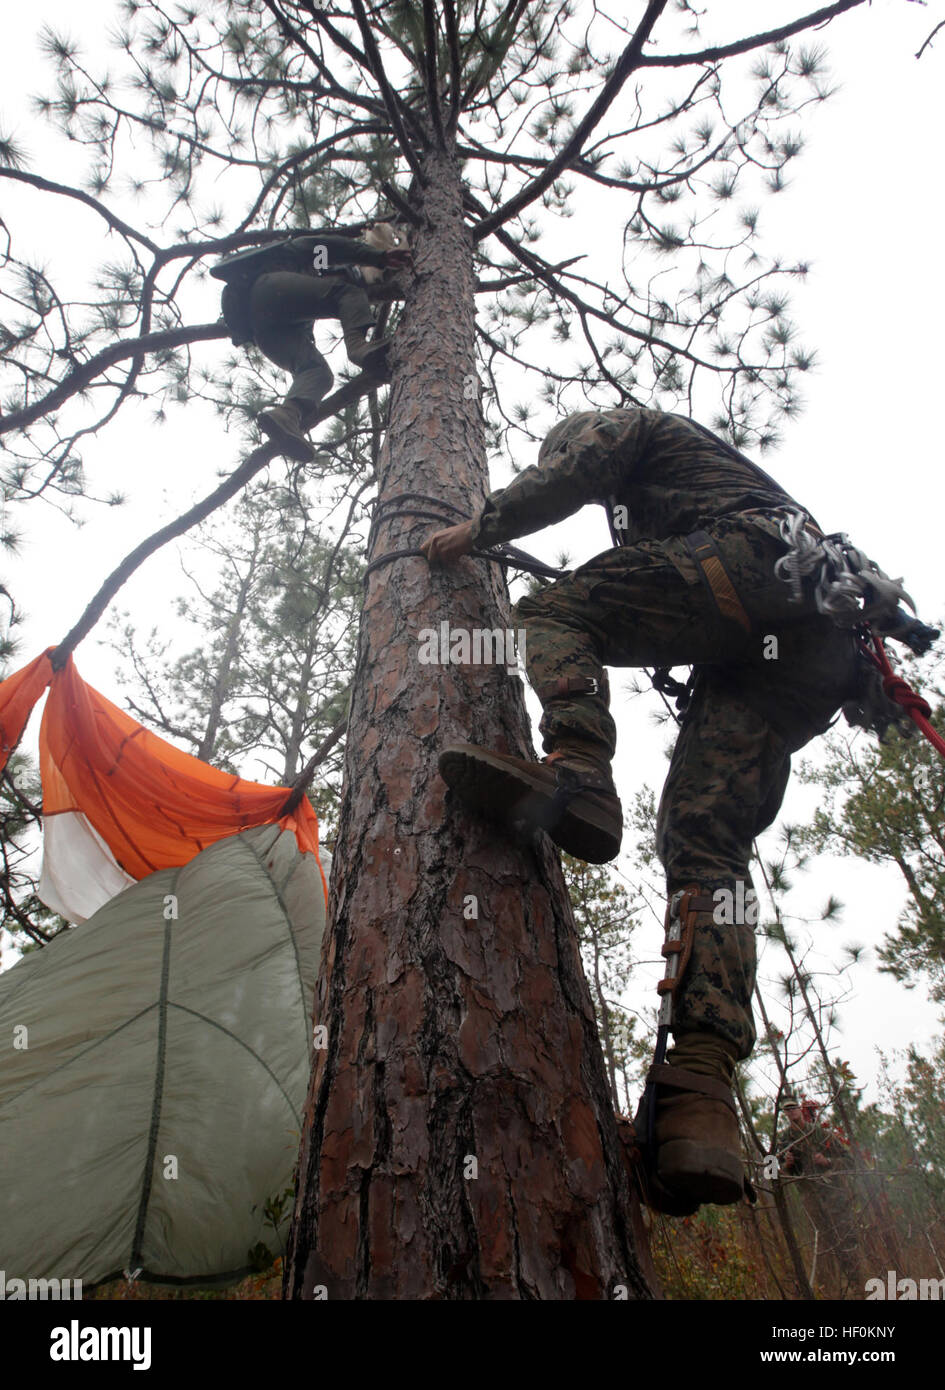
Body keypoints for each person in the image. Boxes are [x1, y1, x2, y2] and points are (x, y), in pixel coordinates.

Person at [421, 406, 860, 1209]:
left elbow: (575, 472)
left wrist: (477, 528)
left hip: (751, 569)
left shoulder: (631, 428)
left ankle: (579, 767)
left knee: (555, 610)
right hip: (811, 645)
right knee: (703, 837)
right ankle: (699, 1093)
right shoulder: (700, 487)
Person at [211, 223, 411, 462]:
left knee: (317, 372)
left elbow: (324, 278)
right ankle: (358, 347)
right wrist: (379, 256)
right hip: (268, 290)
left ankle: (287, 415)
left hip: (265, 332)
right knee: (348, 293)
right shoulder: (302, 253)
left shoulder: (315, 271)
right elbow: (327, 247)